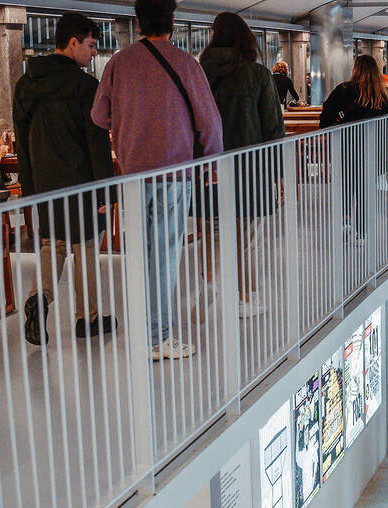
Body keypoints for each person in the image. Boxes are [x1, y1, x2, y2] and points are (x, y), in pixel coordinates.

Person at [92, 0, 223, 360]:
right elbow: (209, 122)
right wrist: (211, 164)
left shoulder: (118, 62)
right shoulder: (186, 63)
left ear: (137, 22)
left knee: (141, 256)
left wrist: (130, 122)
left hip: (132, 176)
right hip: (173, 175)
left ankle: (147, 332)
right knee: (165, 258)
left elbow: (98, 115)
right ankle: (158, 338)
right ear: (173, 21)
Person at [13, 14, 113, 346]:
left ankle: (39, 299)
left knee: (52, 245)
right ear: (73, 42)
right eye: (91, 45)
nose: (94, 53)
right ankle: (88, 319)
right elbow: (96, 142)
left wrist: (29, 191)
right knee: (85, 248)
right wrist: (105, 191)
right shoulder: (85, 87)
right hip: (81, 181)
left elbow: (22, 143)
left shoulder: (27, 84)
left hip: (44, 182)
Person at [198, 12, 285, 319]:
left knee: (211, 229)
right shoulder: (258, 74)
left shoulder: (199, 72)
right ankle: (244, 298)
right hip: (250, 168)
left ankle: (209, 286)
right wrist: (279, 174)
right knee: (245, 238)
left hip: (208, 167)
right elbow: (273, 128)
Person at [319, 54, 388, 126]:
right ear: (376, 71)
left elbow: (327, 112)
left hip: (348, 134)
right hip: (375, 135)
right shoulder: (380, 94)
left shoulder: (345, 88)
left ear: (355, 69)